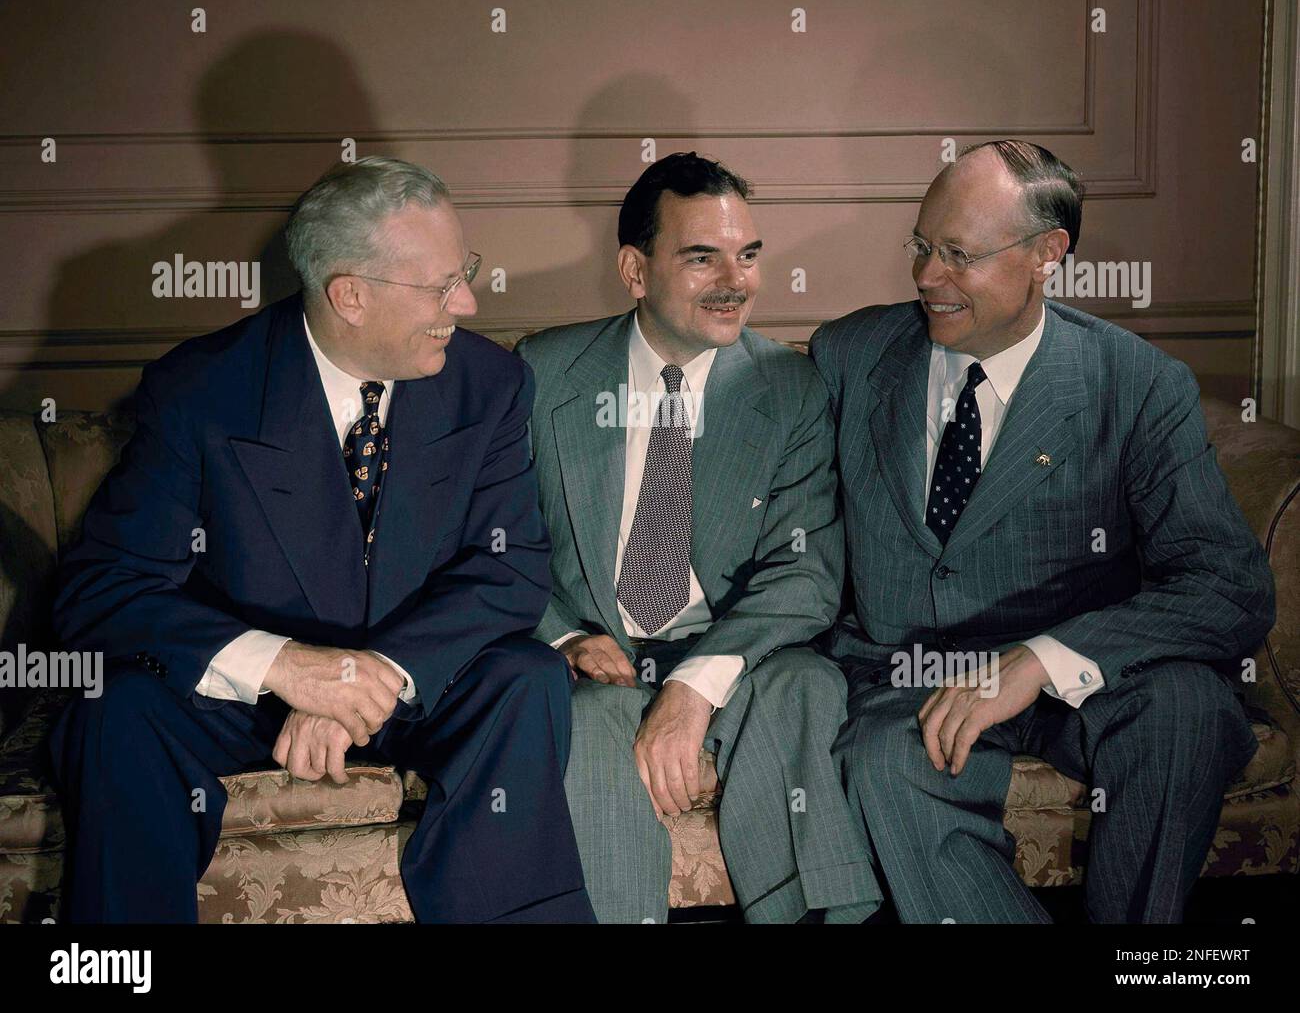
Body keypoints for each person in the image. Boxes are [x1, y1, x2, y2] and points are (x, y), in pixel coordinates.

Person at [49, 156, 595, 923]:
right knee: (117, 709)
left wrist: (369, 676)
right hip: (249, 699)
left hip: (412, 681)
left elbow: (509, 573)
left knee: (526, 675)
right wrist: (286, 668)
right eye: (442, 285)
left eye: (463, 272)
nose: (466, 303)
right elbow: (102, 590)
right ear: (350, 295)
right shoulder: (203, 388)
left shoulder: (489, 383)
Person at [810, 139, 1276, 923]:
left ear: (1046, 255)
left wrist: (1043, 659)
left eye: (958, 254)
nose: (927, 276)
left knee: (1187, 710)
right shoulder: (849, 355)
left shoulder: (1136, 383)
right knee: (881, 758)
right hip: (911, 676)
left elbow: (1229, 586)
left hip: (1079, 678)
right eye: (922, 247)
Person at [516, 152, 880, 924]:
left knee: (807, 687)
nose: (736, 280)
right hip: (599, 659)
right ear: (635, 269)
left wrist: (695, 684)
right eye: (702, 256)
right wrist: (563, 637)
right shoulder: (545, 372)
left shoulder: (790, 388)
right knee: (582, 718)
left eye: (748, 254)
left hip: (731, 656)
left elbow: (805, 573)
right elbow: (498, 540)